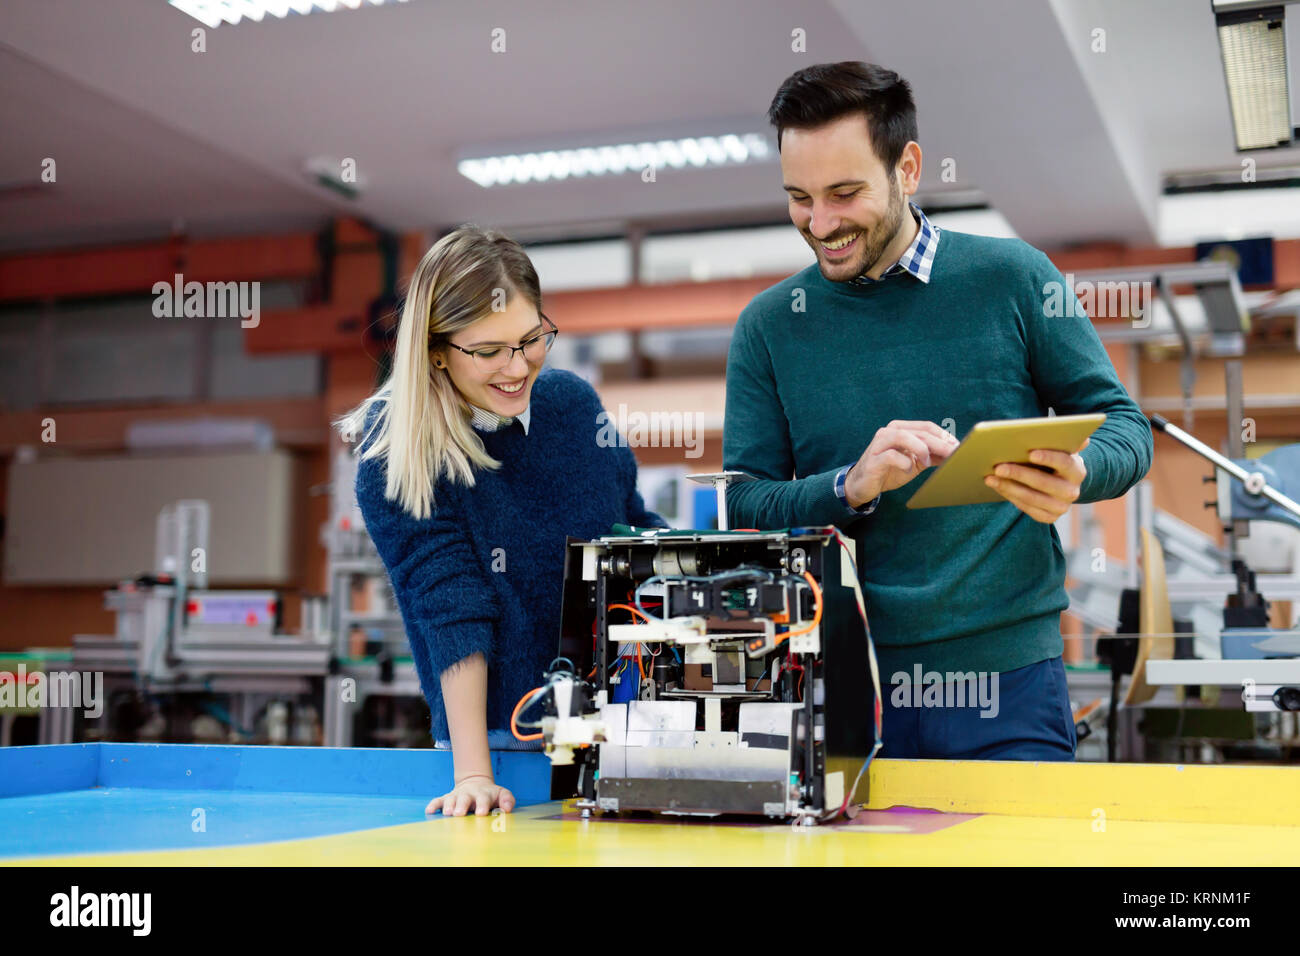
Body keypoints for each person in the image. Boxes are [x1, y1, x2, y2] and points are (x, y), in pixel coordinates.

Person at [724, 61, 1153, 760]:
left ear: (909, 167)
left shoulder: (1014, 278)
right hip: (843, 684)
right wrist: (846, 487)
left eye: (844, 192)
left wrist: (1081, 470)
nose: (821, 223)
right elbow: (744, 505)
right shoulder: (769, 326)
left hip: (1009, 676)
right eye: (799, 197)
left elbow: (1126, 428)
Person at [337, 225, 666, 816]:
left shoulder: (571, 405)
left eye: (532, 338)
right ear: (436, 350)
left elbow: (632, 526)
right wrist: (473, 774)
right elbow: (452, 608)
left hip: (617, 730)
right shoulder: (398, 452)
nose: (517, 367)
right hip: (498, 748)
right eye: (488, 351)